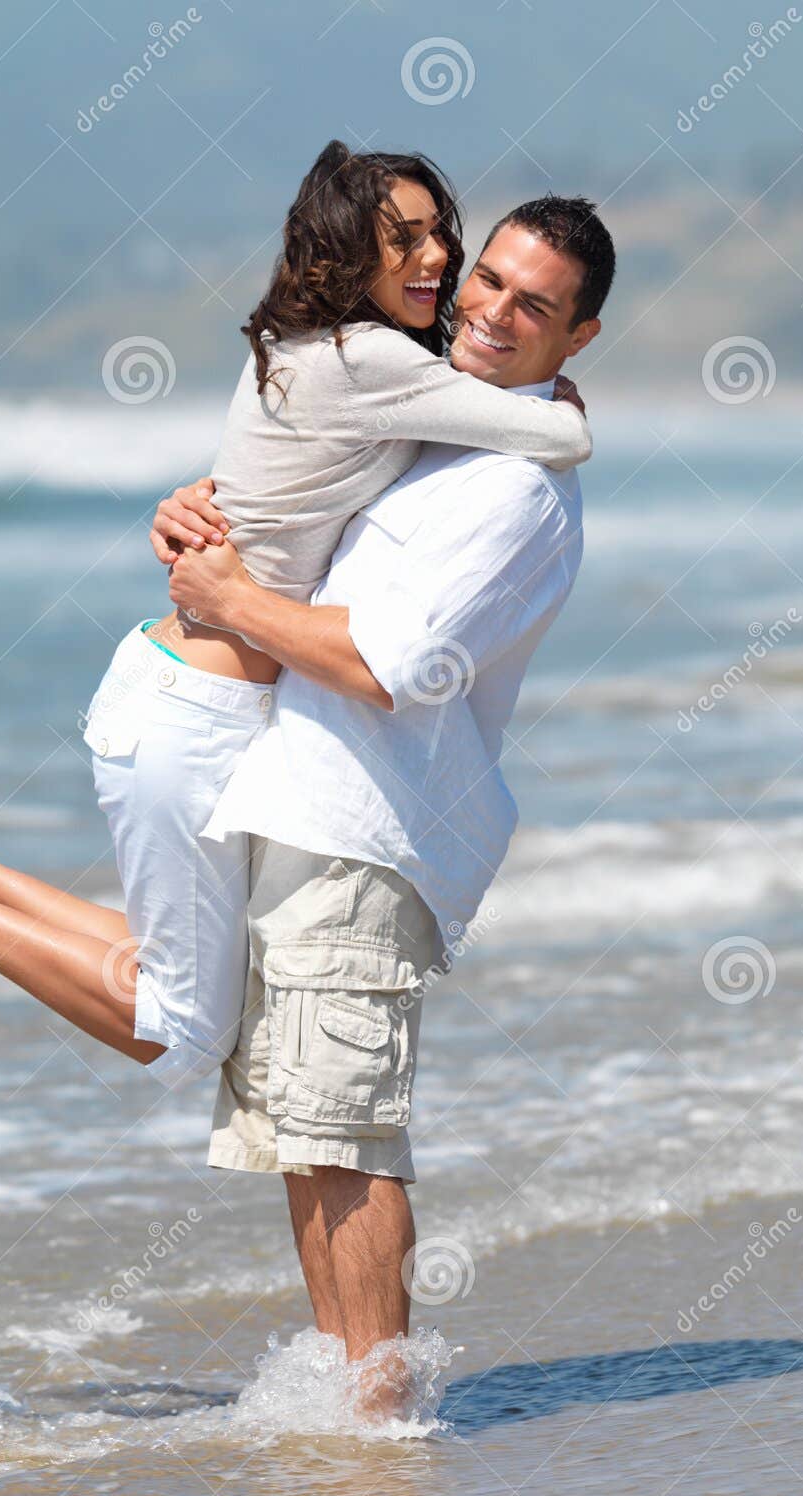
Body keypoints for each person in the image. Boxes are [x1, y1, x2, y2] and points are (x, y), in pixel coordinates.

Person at [0, 143, 590, 1099]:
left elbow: (276, 488)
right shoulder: (364, 357)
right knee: (182, 1031)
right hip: (195, 709)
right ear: (345, 253)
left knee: (201, 994)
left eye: (438, 238)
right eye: (402, 241)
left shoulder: (350, 354)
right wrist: (561, 402)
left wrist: (193, 512)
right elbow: (560, 437)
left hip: (195, 698)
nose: (432, 262)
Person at [154, 194, 615, 1413]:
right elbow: (292, 492)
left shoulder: (513, 490)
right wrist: (202, 521)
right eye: (487, 279)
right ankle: (344, 1397)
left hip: (370, 830)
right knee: (304, 1133)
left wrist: (227, 598)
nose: (492, 311)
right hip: (304, 804)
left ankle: (379, 1424)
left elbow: (385, 663)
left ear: (578, 340)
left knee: (346, 1138)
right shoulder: (444, 427)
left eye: (535, 305)